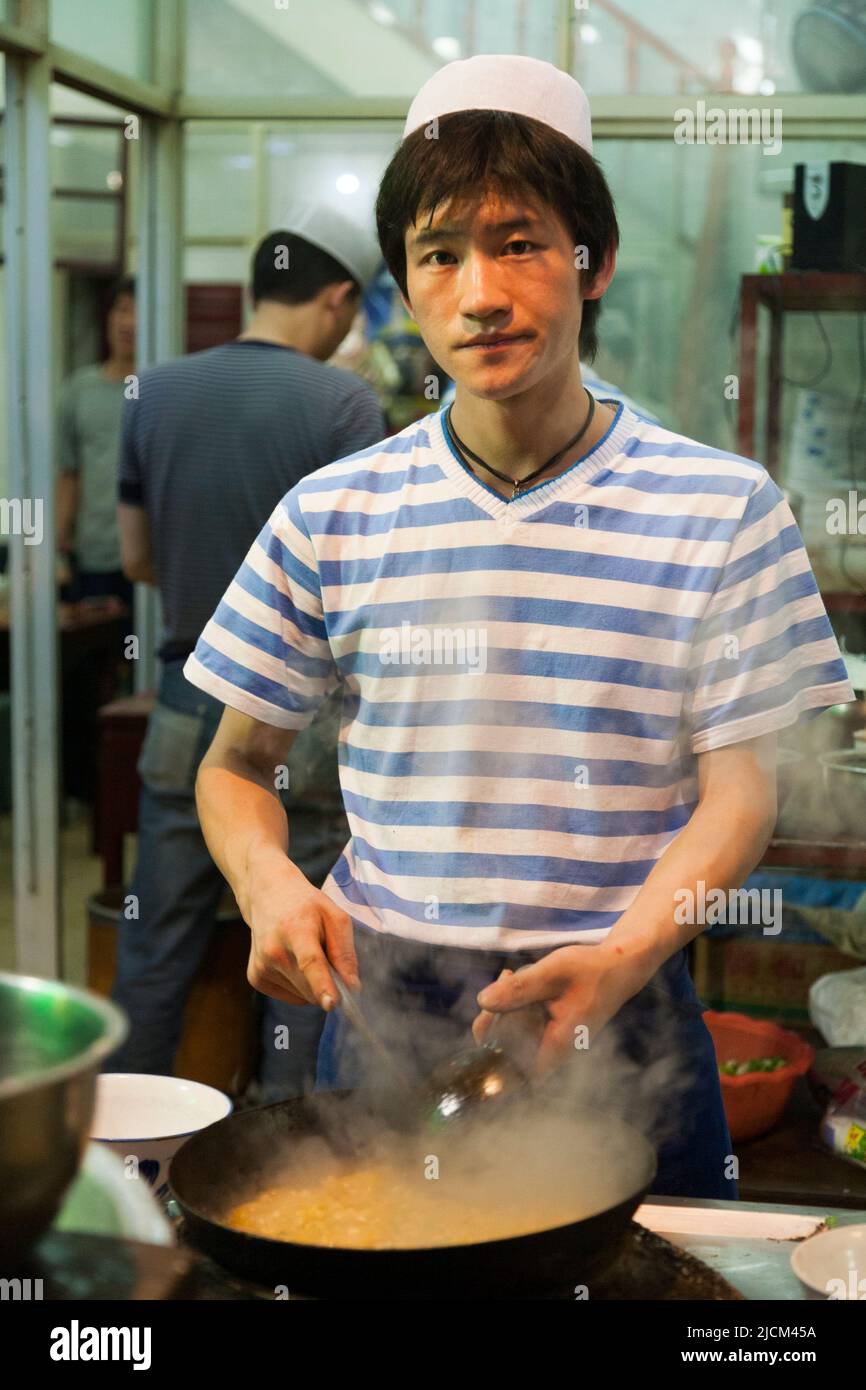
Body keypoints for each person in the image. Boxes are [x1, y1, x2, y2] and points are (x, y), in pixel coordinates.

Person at [184, 57, 854, 1197]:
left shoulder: (721, 507)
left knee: (663, 1273)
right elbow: (235, 766)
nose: (480, 294)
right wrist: (267, 887)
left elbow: (742, 792)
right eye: (439, 254)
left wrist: (629, 950)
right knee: (386, 1264)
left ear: (594, 261)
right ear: (404, 282)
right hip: (387, 1012)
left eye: (519, 243)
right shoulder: (333, 512)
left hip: (625, 997)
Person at [107, 205, 386, 1100]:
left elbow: (134, 557)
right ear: (339, 299)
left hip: (185, 707)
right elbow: (367, 590)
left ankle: (124, 1145)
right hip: (300, 725)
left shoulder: (153, 392)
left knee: (155, 945)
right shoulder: (343, 403)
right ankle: (284, 1148)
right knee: (306, 944)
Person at [56, 275, 136, 610]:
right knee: (94, 639)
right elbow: (68, 474)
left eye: (137, 312)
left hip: (146, 558)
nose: (128, 322)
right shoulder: (79, 389)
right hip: (92, 557)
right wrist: (57, 548)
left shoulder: (160, 388)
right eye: (122, 309)